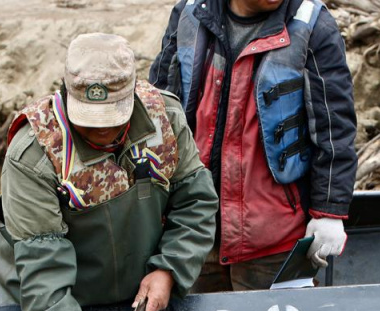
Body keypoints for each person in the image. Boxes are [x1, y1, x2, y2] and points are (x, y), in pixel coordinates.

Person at [0, 33, 218, 311]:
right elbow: (41, 267)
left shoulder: (166, 118)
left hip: (134, 297)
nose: (101, 132)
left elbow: (196, 203)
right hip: (46, 308)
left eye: (112, 118)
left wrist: (170, 269)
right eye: (89, 120)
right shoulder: (32, 156)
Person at [149, 0, 357, 290]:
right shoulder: (190, 15)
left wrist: (328, 212)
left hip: (275, 242)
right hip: (193, 232)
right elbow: (158, 113)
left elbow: (334, 127)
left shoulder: (312, 25)